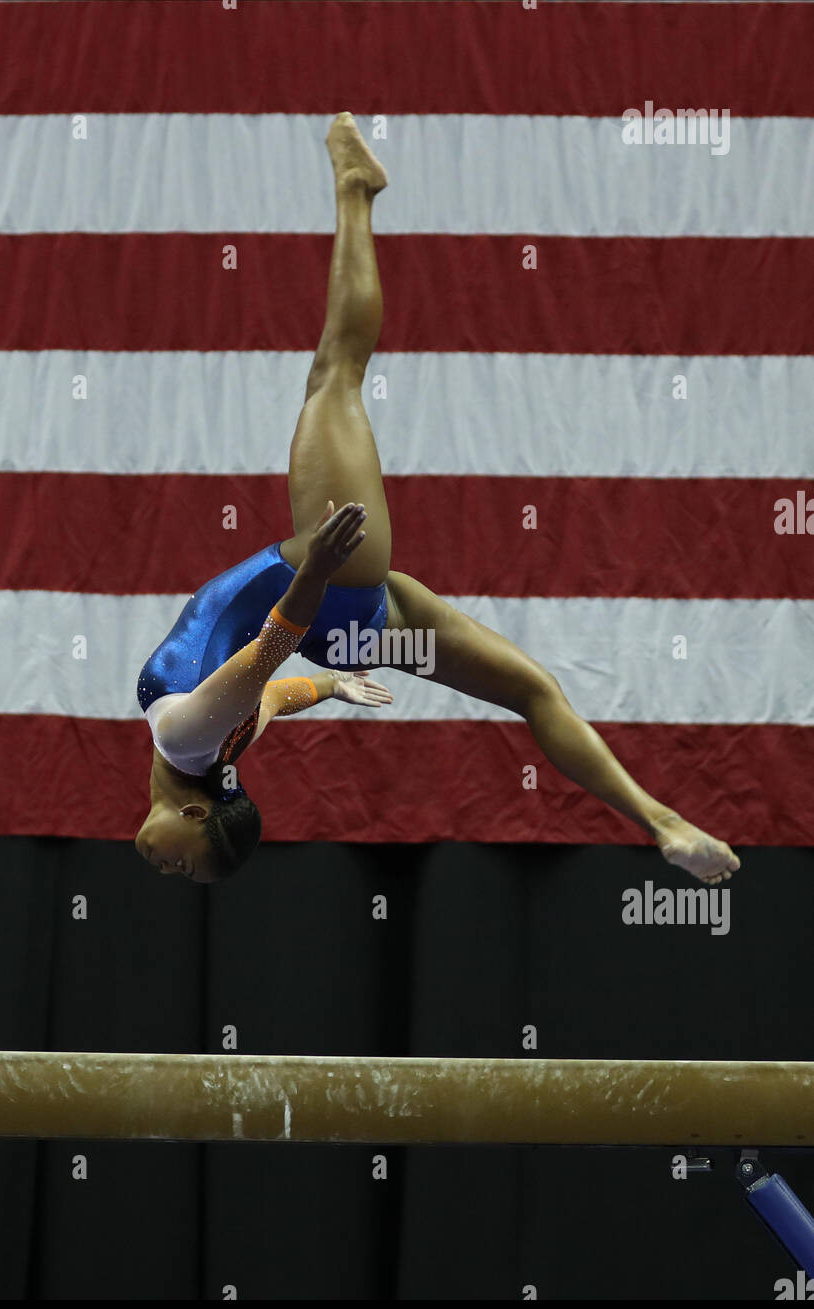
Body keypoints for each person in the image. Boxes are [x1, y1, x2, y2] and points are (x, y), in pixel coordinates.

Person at [135, 114, 741, 889]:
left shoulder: (210, 746)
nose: (168, 873)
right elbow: (266, 657)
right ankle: (356, 191)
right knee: (336, 372)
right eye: (188, 871)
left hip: (341, 623)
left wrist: (335, 681)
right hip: (331, 586)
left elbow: (273, 692)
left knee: (531, 691)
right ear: (196, 814)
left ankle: (663, 822)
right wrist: (316, 573)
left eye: (186, 874)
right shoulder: (188, 742)